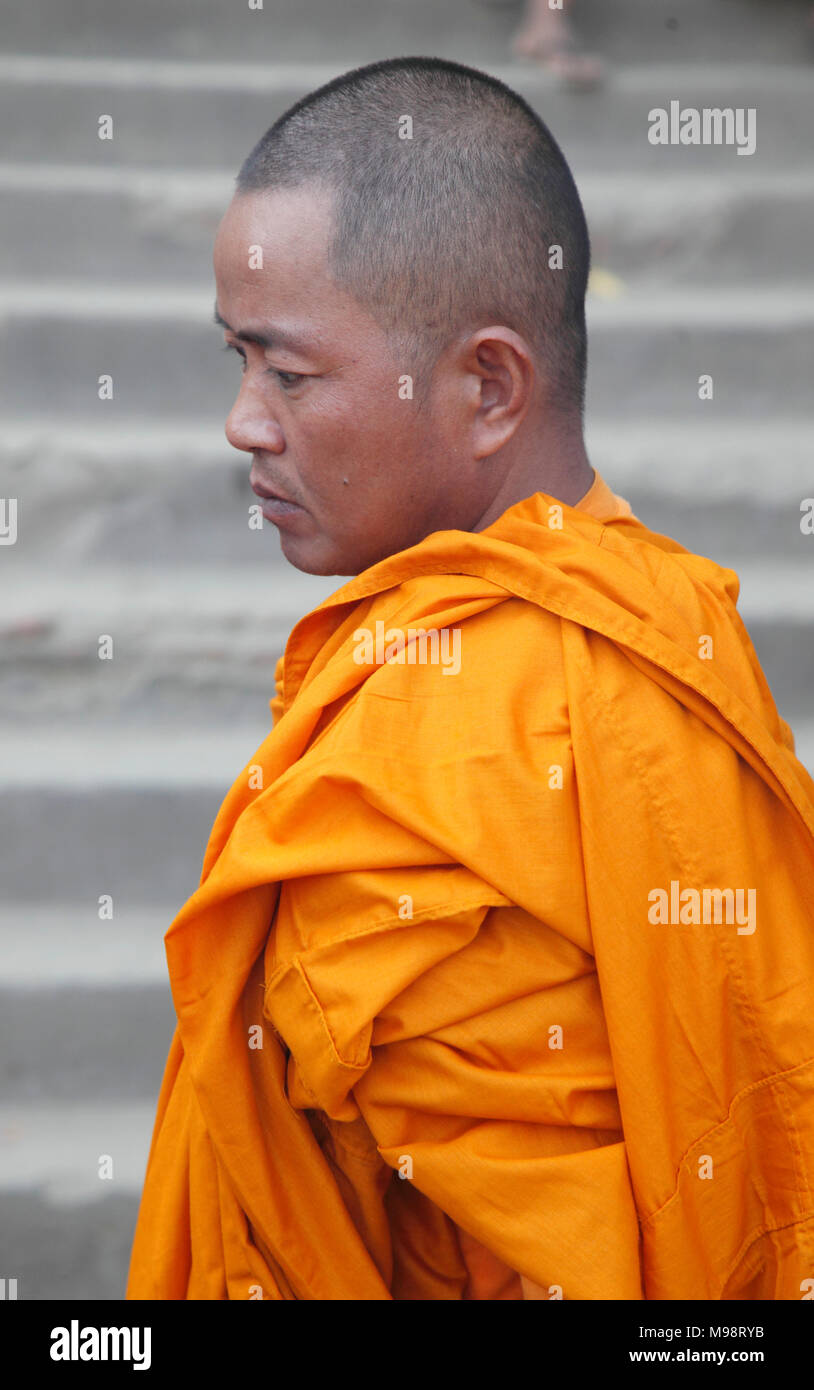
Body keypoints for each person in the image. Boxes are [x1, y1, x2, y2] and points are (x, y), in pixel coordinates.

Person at [126, 57, 814, 1301]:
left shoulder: (434, 728)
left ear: (488, 385)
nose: (242, 420)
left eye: (287, 373)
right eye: (237, 359)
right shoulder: (677, 624)